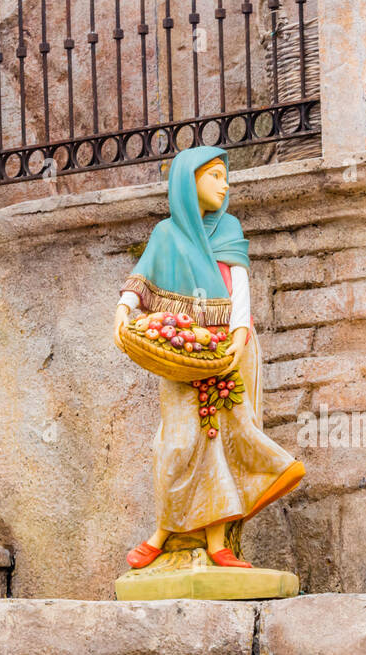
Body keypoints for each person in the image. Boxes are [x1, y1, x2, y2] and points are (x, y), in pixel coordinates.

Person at [113, 146, 304, 570]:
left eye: (225, 176)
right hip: (183, 349)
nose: (225, 184)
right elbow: (142, 278)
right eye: (215, 176)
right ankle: (163, 531)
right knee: (178, 441)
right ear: (188, 181)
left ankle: (218, 545)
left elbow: (240, 287)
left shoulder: (228, 228)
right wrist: (123, 309)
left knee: (225, 438)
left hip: (231, 347)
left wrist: (238, 334)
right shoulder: (166, 234)